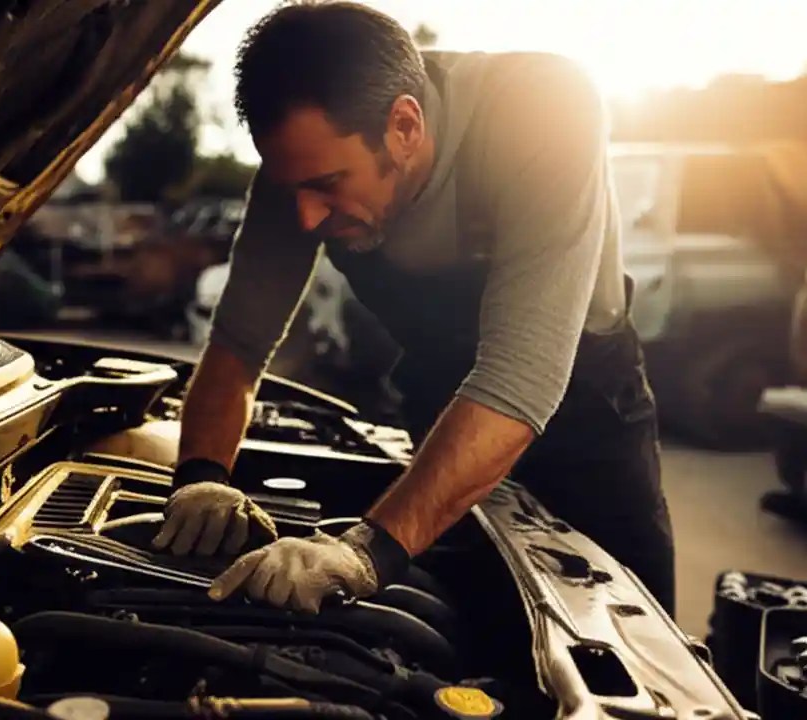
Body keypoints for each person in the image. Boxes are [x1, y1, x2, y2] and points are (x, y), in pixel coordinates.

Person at [151, 1, 676, 616]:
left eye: (327, 185)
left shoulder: (543, 108)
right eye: (291, 188)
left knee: (631, 635)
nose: (306, 218)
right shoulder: (301, 170)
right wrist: (201, 476)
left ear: (404, 126)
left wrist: (365, 552)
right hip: (442, 408)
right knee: (460, 624)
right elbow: (237, 347)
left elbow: (520, 378)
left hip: (588, 420)